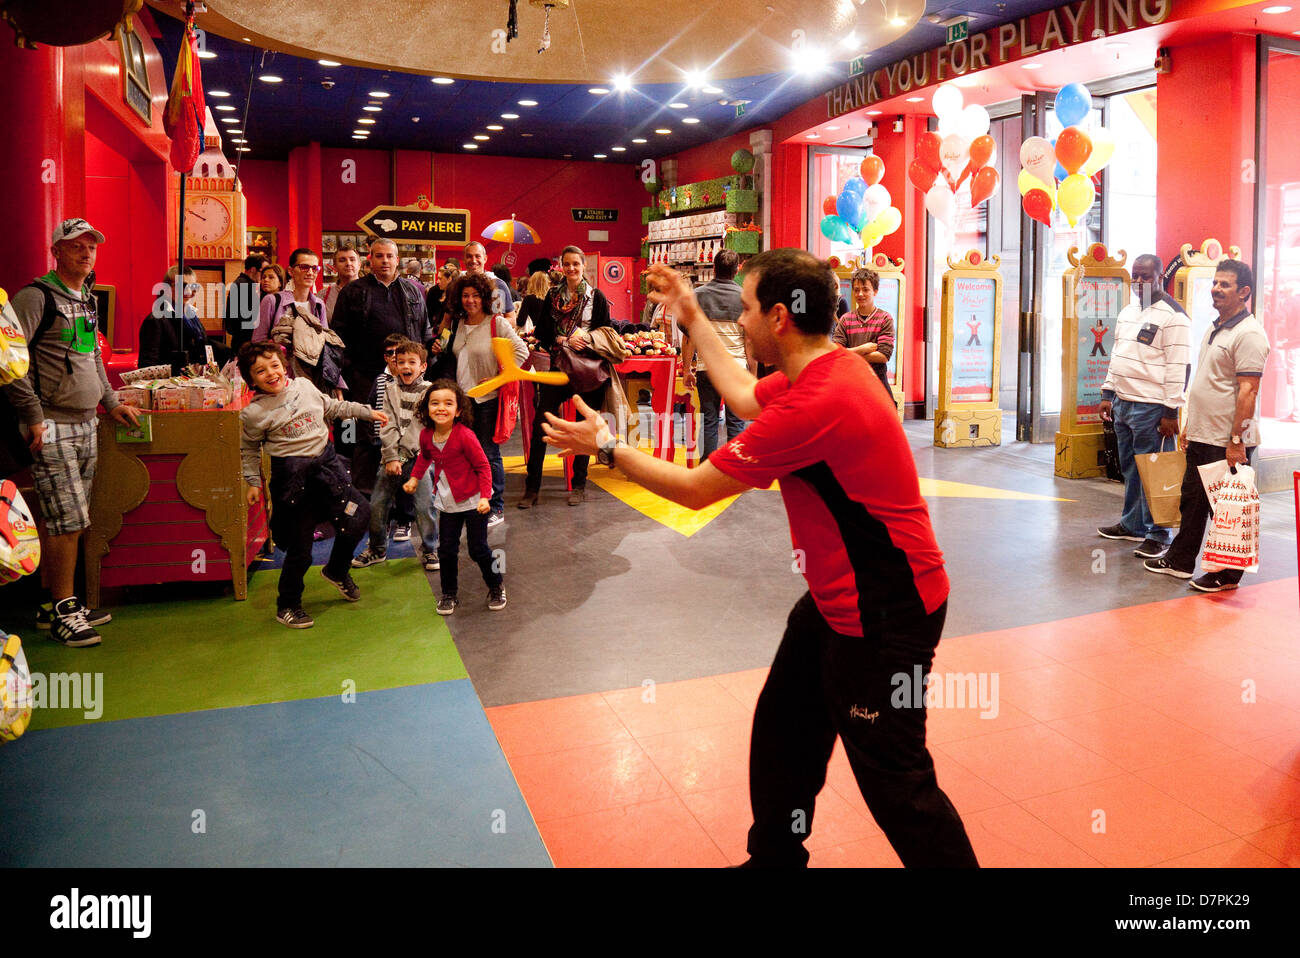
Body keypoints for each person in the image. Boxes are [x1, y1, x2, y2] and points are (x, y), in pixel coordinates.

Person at [542, 250, 978, 868]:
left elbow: (695, 492)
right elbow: (746, 396)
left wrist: (610, 446)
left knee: (897, 783)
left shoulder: (817, 402)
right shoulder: (821, 368)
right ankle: (774, 858)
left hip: (886, 611)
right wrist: (691, 314)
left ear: (779, 318)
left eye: (744, 310)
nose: (739, 322)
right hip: (836, 599)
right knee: (784, 733)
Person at [3, 218, 142, 647]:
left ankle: (54, 602)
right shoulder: (34, 297)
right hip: (51, 425)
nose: (86, 253)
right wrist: (33, 415)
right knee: (68, 519)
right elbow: (8, 359)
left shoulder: (85, 298)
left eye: (92, 247)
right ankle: (66, 608)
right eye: (76, 246)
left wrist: (113, 403)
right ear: (56, 252)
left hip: (86, 421)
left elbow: (93, 358)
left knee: (67, 518)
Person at [238, 340, 387, 629]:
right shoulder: (253, 414)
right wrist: (253, 482)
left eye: (274, 366)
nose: (270, 373)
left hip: (329, 471)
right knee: (301, 549)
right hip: (294, 484)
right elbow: (249, 449)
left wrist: (366, 412)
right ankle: (288, 605)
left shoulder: (304, 387)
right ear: (251, 379)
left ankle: (336, 570)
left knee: (359, 516)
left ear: (284, 366)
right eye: (260, 371)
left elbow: (331, 406)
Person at [1145, 259, 1271, 593]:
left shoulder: (1250, 334)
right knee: (1193, 502)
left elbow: (1249, 391)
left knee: (1226, 510)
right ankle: (1181, 560)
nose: (1216, 289)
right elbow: (1208, 382)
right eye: (1215, 283)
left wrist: (1236, 440)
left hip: (1226, 440)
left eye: (1225, 284)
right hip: (1204, 434)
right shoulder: (1216, 327)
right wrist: (1190, 426)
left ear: (1244, 292)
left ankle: (1228, 575)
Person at [1097, 253, 1191, 559]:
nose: (1138, 282)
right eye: (1134, 277)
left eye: (1145, 277)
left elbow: (1179, 368)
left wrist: (1170, 412)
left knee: (1157, 472)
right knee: (1131, 469)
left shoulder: (1174, 316)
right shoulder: (1128, 311)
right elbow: (1117, 355)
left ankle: (1159, 534)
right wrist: (1108, 394)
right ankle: (1133, 524)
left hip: (1152, 409)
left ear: (1160, 277)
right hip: (1124, 403)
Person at [331, 237, 433, 494]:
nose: (385, 260)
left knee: (404, 433)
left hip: (405, 377)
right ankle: (365, 498)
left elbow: (424, 330)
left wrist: (424, 365)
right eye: (379, 256)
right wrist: (345, 375)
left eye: (389, 256)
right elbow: (338, 336)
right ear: (370, 260)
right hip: (364, 375)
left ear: (397, 260)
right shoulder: (353, 291)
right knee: (366, 436)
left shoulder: (413, 291)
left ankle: (402, 499)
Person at [519, 245, 613, 508]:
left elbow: (606, 332)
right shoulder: (552, 296)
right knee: (542, 425)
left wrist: (588, 339)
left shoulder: (597, 297)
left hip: (588, 372)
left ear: (584, 267)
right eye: (567, 264)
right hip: (559, 368)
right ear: (561, 266)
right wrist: (559, 338)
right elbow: (541, 332)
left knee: (586, 428)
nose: (571, 269)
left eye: (576, 264)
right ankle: (532, 487)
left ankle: (579, 484)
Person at [404, 379, 505, 613]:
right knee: (446, 550)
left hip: (473, 500)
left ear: (458, 410)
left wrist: (484, 497)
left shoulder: (465, 435)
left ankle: (496, 585)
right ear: (426, 408)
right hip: (448, 503)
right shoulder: (427, 436)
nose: (441, 408)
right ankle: (449, 593)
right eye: (435, 403)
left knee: (477, 548)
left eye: (448, 403)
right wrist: (414, 479)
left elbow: (483, 466)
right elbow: (424, 458)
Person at [447, 271, 528, 524]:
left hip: (488, 400)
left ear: (484, 298)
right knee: (467, 451)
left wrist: (499, 378)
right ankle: (477, 499)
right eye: (465, 296)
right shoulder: (458, 324)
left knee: (488, 452)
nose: (470, 300)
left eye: (474, 296)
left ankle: (497, 505)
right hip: (463, 400)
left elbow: (522, 352)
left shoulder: (497, 324)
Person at [352, 339, 439, 571]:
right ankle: (377, 549)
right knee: (378, 504)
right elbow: (387, 424)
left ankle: (430, 549)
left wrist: (401, 456)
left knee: (424, 505)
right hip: (390, 458)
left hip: (417, 458)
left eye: (412, 362)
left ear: (422, 366)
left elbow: (420, 428)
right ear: (394, 365)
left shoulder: (430, 391)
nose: (406, 366)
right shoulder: (390, 390)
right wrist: (391, 456)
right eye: (401, 362)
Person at [687, 249, 752, 458]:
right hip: (737, 369)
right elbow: (749, 341)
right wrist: (753, 373)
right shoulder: (745, 299)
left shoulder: (697, 296)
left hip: (708, 369)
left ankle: (707, 467)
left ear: (714, 268)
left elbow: (689, 338)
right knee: (736, 420)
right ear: (736, 271)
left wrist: (687, 368)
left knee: (709, 419)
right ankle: (733, 469)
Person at [137, 265, 230, 372]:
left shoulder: (192, 317)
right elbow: (147, 367)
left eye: (194, 286)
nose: (189, 292)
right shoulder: (155, 320)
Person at [832, 267, 895, 394]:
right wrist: (863, 349)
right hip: (851, 381)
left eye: (865, 289)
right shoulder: (845, 319)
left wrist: (849, 353)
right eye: (857, 290)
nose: (860, 294)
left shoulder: (885, 318)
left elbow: (883, 356)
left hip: (878, 381)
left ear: (875, 291)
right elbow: (836, 353)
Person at [461, 242, 517, 324]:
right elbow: (448, 319)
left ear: (485, 259)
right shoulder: (457, 284)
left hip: (489, 336)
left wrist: (489, 325)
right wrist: (442, 337)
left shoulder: (498, 285)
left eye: (477, 256)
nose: (473, 260)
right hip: (461, 334)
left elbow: (511, 320)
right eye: (469, 256)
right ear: (464, 259)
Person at [224, 254, 264, 352]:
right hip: (245, 344)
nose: (264, 277)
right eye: (262, 272)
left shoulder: (239, 282)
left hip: (239, 341)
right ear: (253, 270)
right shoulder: (245, 286)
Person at [321, 246, 360, 324]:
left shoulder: (373, 292)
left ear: (359, 265)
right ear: (334, 267)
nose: (348, 263)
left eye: (352, 260)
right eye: (342, 260)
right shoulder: (323, 295)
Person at [517, 270, 551, 334]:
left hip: (530, 334)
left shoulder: (528, 299)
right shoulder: (551, 300)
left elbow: (520, 322)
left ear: (532, 283)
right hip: (545, 335)